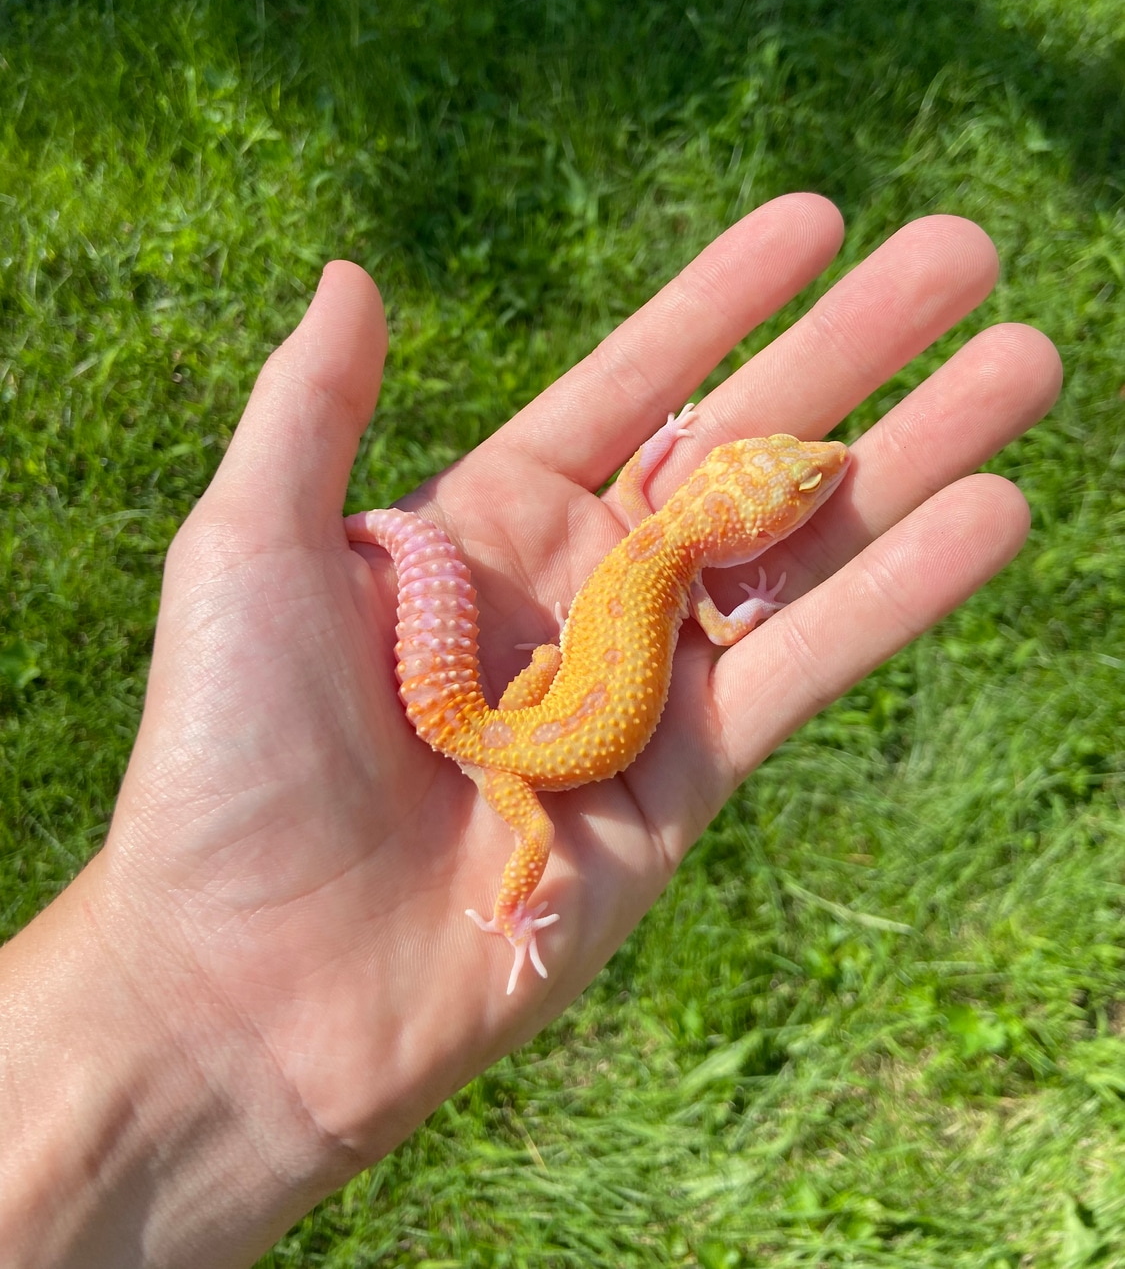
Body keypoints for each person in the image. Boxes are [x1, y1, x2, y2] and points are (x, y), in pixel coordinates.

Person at [0, 195, 1061, 1268]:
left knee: (538, 702)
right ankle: (509, 913)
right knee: (537, 851)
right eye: (793, 477)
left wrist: (671, 449)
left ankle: (508, 833)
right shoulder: (687, 571)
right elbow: (717, 630)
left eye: (798, 474)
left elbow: (659, 511)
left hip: (528, 716)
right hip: (525, 758)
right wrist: (729, 612)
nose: (815, 466)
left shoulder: (663, 527)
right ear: (749, 519)